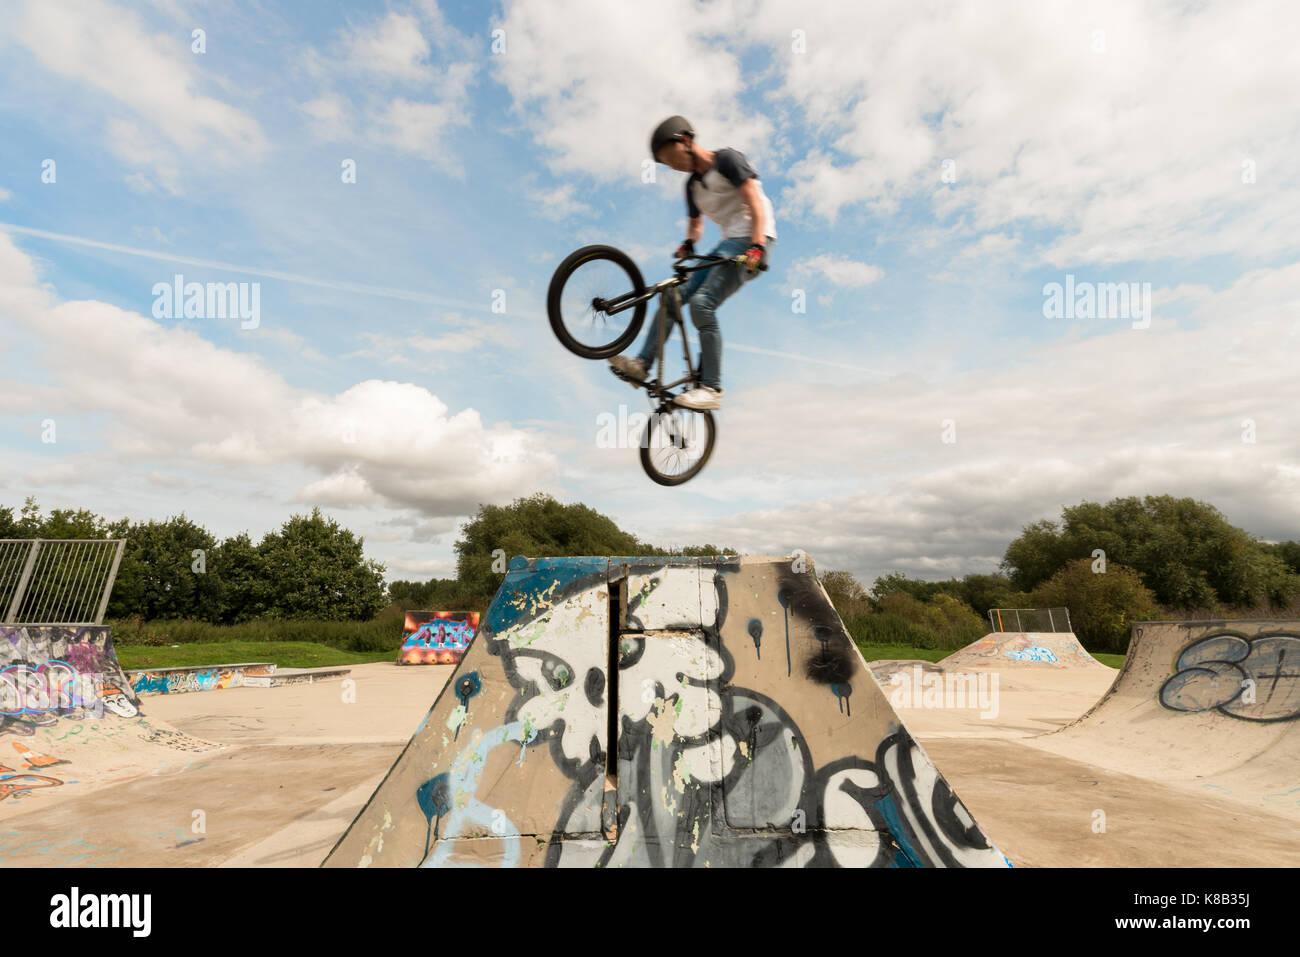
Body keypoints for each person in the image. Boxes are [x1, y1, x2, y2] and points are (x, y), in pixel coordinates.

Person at [608, 116, 778, 411]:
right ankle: (642, 365)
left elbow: (755, 201)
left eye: (673, 159)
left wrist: (757, 246)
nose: (674, 167)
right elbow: (696, 224)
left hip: (753, 239)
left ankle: (712, 387)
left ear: (686, 140)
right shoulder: (692, 187)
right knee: (672, 297)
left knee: (702, 302)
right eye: (668, 165)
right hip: (726, 244)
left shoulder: (727, 160)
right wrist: (688, 243)